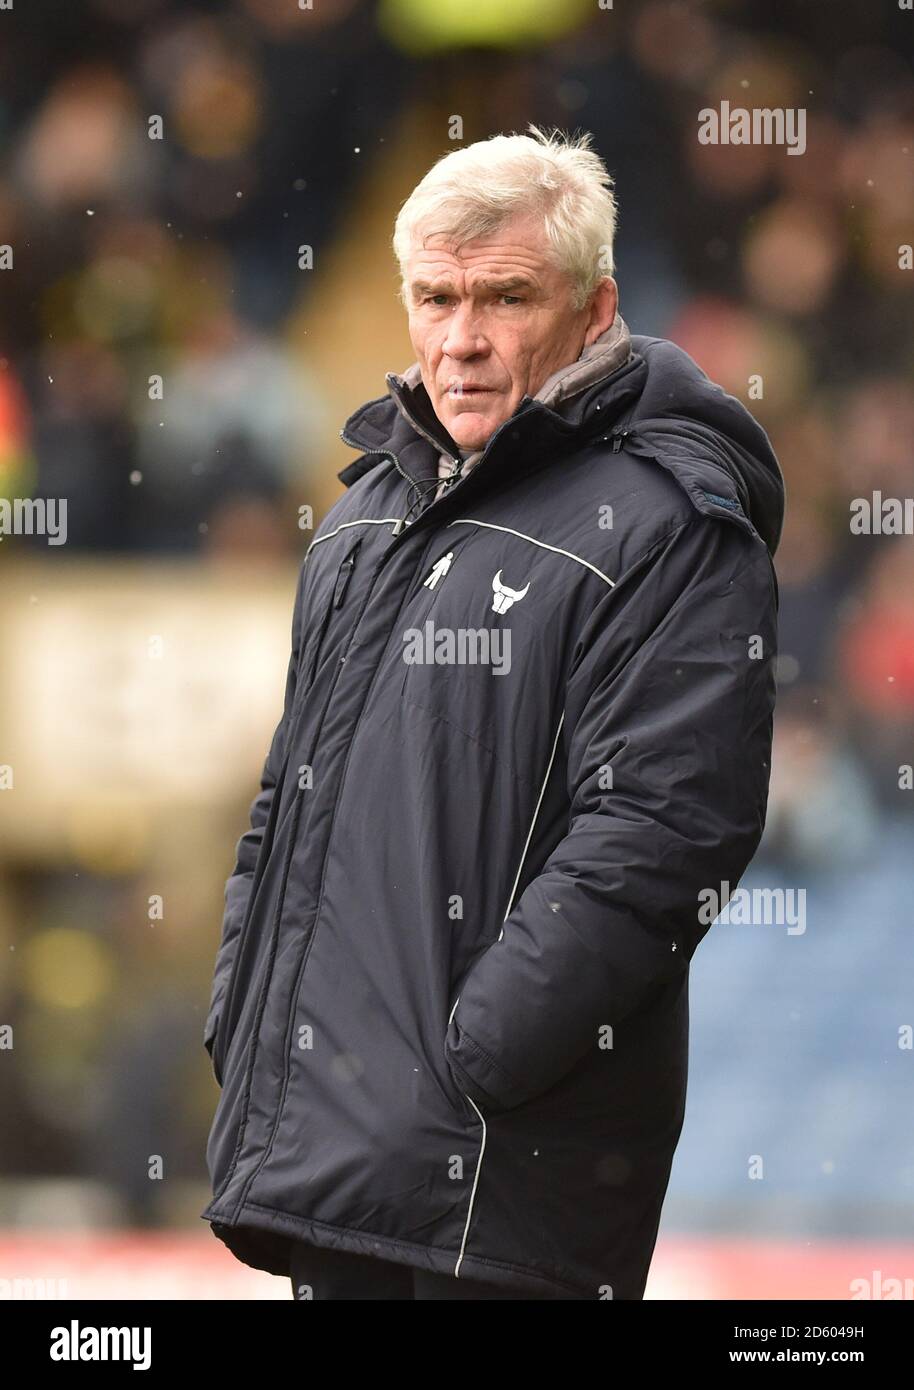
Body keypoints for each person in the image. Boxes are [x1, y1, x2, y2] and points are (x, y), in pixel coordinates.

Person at [201, 126, 784, 1300]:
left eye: (504, 298)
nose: (460, 340)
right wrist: (244, 1011)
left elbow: (666, 833)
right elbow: (285, 797)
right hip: (325, 1158)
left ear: (593, 306)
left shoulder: (667, 521)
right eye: (435, 298)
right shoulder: (363, 517)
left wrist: (471, 1056)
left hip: (499, 1182)